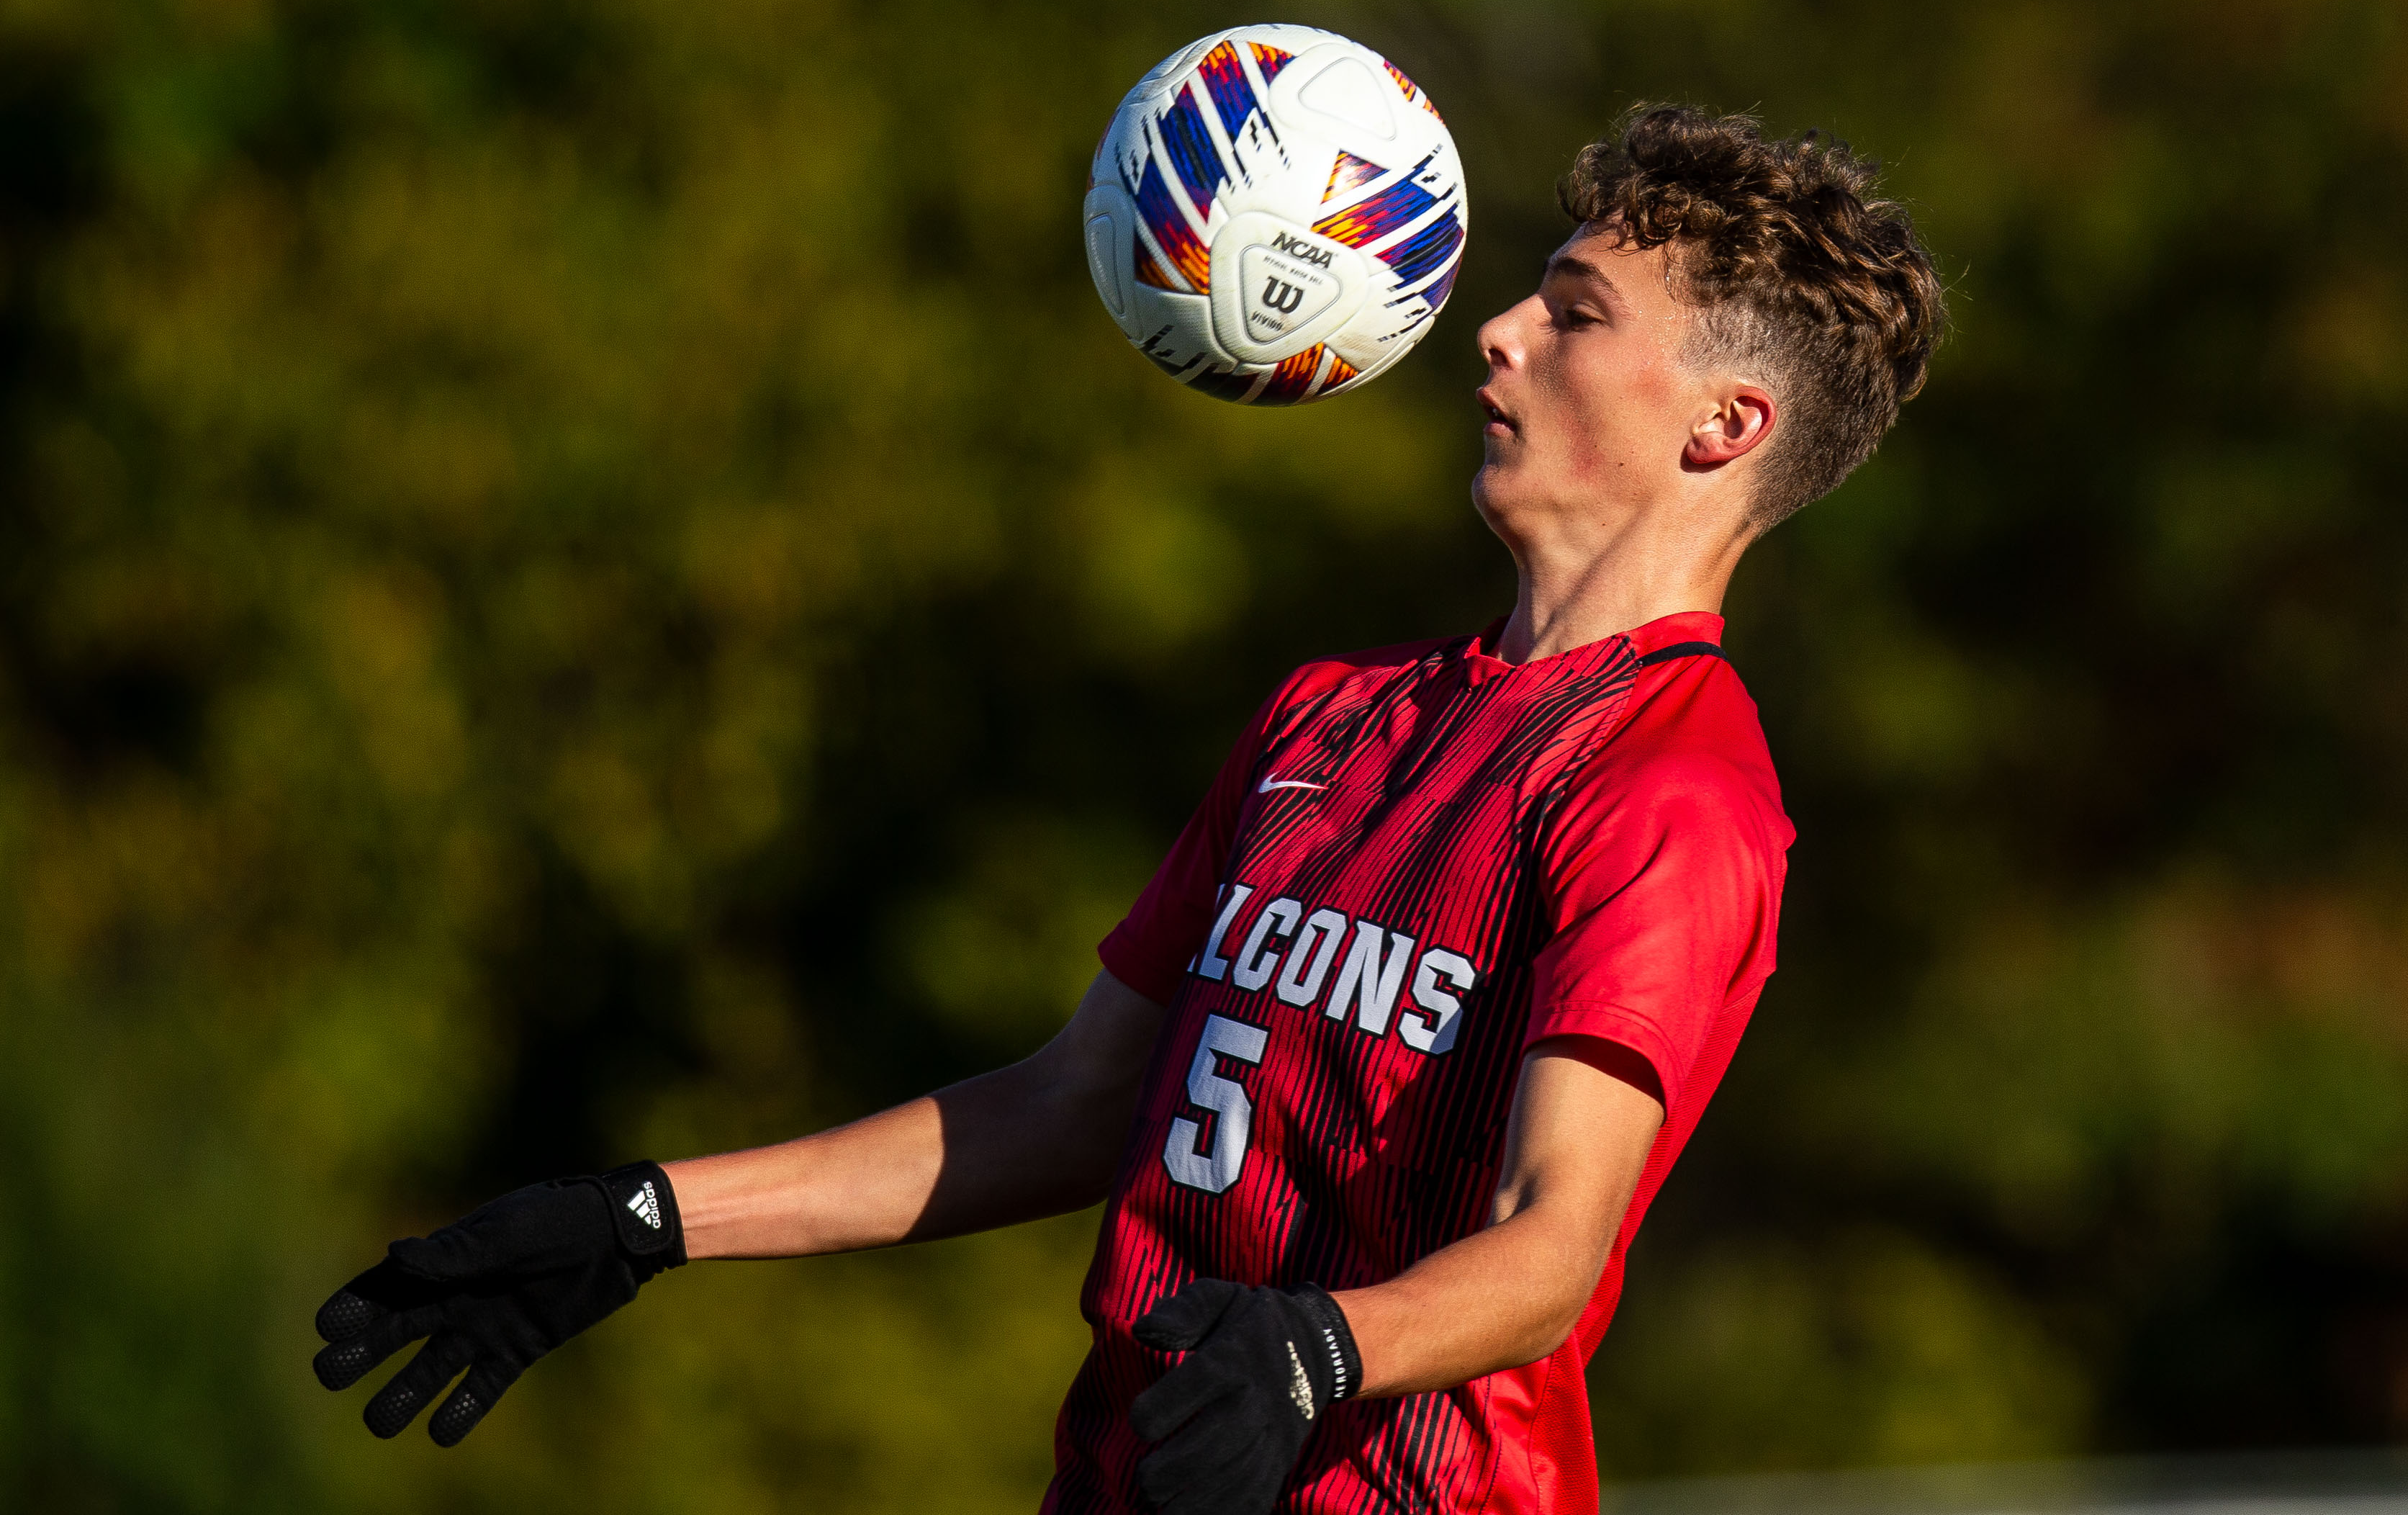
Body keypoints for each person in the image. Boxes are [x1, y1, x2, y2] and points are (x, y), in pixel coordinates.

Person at [312, 103, 1945, 1514]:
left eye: (1572, 313)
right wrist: (646, 1215)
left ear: (1724, 424)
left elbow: (1550, 1243)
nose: (1496, 330)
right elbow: (1076, 1100)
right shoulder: (1329, 715)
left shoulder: (1670, 784)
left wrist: (1318, 1352)